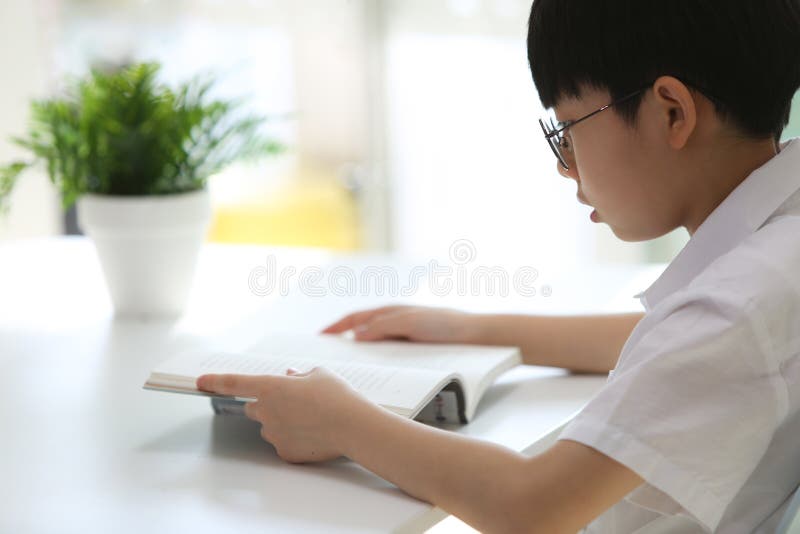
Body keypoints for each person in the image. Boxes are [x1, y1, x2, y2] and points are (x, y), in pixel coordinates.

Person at [197, 1, 800, 531]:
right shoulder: (776, 248)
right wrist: (474, 329)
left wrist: (339, 421)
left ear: (672, 112)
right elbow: (678, 342)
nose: (565, 166)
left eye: (567, 129)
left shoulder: (734, 308)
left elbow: (531, 508)